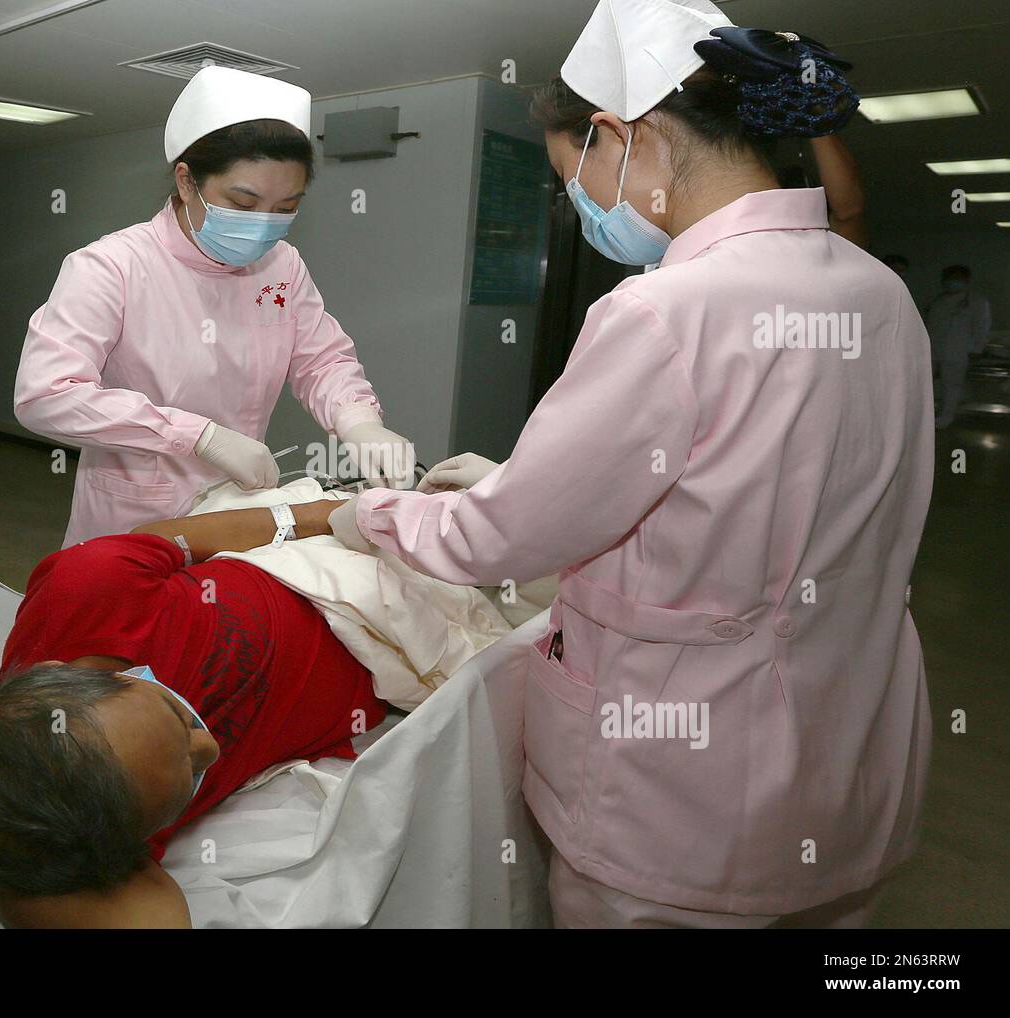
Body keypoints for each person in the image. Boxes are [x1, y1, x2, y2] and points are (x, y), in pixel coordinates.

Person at [330, 0, 933, 928]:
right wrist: (532, 479)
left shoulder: (664, 308)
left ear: (621, 136)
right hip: (849, 754)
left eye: (575, 180)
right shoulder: (879, 291)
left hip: (686, 789)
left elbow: (495, 540)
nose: (584, 210)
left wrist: (371, 515)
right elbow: (773, 486)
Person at [0, 498, 386, 927]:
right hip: (386, 642)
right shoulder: (104, 820)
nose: (209, 748)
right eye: (191, 778)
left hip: (311, 560)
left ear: (99, 680)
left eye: (176, 715)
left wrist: (324, 514)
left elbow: (172, 538)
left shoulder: (90, 586)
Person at [14, 66, 415, 547]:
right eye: (244, 203)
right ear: (187, 182)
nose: (265, 224)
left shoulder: (282, 266)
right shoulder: (111, 266)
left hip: (240, 504)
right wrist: (201, 436)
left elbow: (321, 359)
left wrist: (360, 423)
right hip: (135, 511)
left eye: (286, 205)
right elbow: (47, 397)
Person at [927, 263, 992, 428]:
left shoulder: (976, 302)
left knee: (952, 384)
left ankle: (946, 417)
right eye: (950, 278)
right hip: (934, 349)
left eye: (957, 278)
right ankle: (935, 413)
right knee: (932, 385)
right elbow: (930, 325)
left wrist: (977, 349)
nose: (953, 281)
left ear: (966, 280)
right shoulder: (939, 301)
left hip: (958, 351)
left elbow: (982, 327)